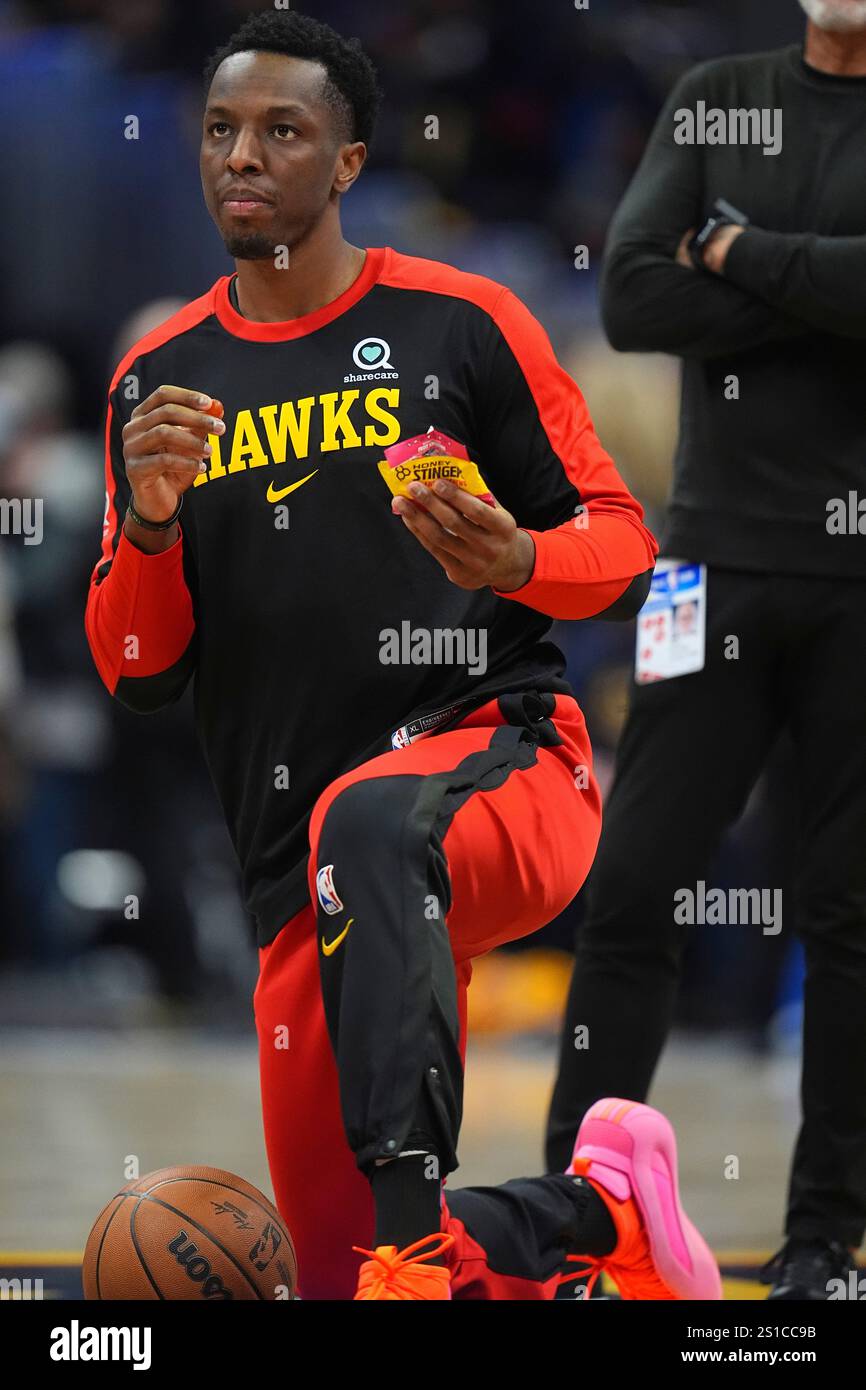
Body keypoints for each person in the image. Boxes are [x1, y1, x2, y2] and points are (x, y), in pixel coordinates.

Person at [84, 9, 719, 1301]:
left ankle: (422, 1246)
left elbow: (619, 539)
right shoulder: (161, 372)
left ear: (350, 162)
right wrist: (148, 522)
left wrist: (509, 561)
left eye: (280, 131)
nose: (240, 157)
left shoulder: (463, 323)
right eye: (219, 131)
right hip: (300, 887)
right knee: (329, 1273)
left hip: (504, 775)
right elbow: (137, 666)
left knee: (367, 825)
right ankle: (594, 1215)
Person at [546, 0, 866, 1300]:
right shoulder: (716, 95)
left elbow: (683, 279)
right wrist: (824, 285)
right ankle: (570, 1223)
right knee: (629, 896)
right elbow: (628, 296)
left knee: (850, 920)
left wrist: (732, 251)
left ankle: (821, 1242)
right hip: (707, 562)